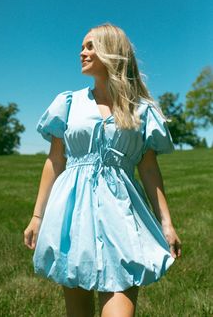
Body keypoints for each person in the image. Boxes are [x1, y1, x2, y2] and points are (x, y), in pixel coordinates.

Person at [24, 23, 182, 317]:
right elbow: (55, 160)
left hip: (122, 215)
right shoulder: (68, 103)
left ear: (111, 51)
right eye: (82, 47)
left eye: (89, 46)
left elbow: (148, 169)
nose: (82, 53)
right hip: (72, 215)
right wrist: (37, 216)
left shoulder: (142, 110)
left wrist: (167, 223)